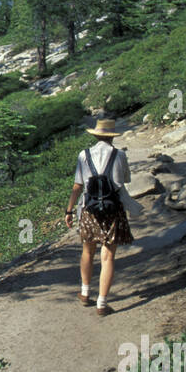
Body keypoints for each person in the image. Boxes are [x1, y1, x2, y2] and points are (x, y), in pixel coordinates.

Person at [64, 117, 133, 314]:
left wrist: (69, 210)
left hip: (89, 209)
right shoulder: (119, 155)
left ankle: (85, 293)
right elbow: (124, 180)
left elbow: (77, 186)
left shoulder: (83, 155)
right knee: (108, 255)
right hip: (113, 210)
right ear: (112, 136)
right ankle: (102, 304)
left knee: (87, 251)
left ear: (96, 135)